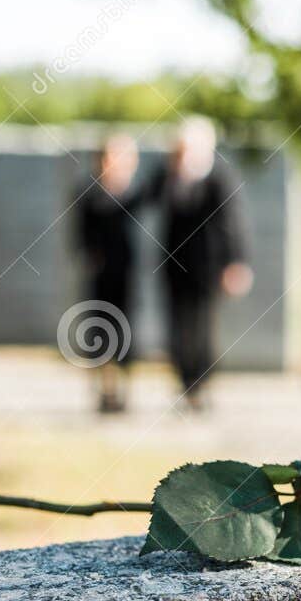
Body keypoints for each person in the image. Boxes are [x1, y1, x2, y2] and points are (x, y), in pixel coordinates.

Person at [152, 117, 253, 411]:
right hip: (174, 265)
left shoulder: (219, 179)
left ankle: (201, 385)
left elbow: (234, 222)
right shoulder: (167, 176)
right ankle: (184, 383)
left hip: (208, 267)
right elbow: (145, 199)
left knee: (203, 328)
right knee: (177, 328)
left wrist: (237, 262)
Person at [74, 134, 145, 413]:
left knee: (127, 331)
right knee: (100, 331)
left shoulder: (136, 194)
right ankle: (106, 387)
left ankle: (124, 388)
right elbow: (81, 236)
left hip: (127, 274)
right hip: (100, 276)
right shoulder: (89, 193)